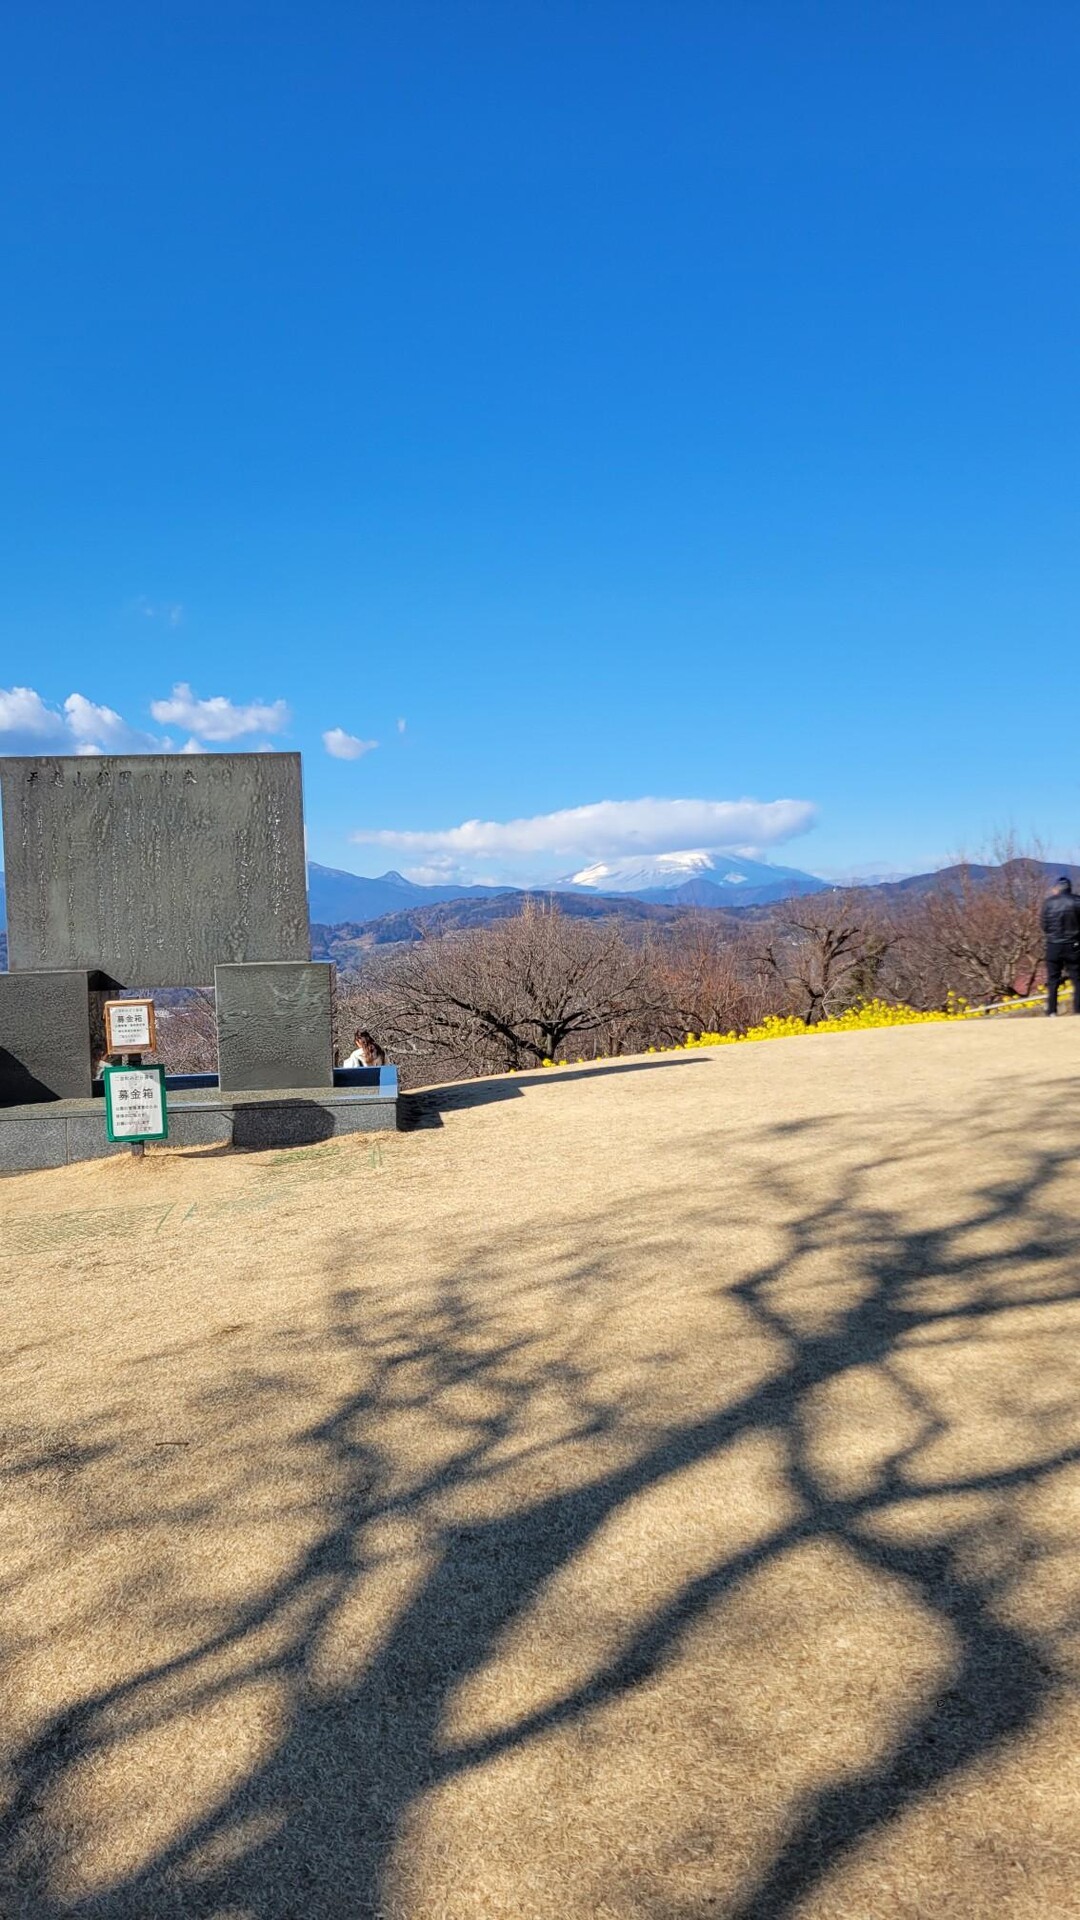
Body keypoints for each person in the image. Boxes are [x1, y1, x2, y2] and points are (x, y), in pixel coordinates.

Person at [1041, 876, 1080, 1014]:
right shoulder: (1077, 901)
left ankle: (1051, 1011)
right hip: (1073, 945)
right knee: (1077, 979)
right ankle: (1078, 1011)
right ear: (1070, 888)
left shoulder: (1048, 903)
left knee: (1053, 980)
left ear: (1057, 888)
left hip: (1053, 945)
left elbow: (1044, 925)